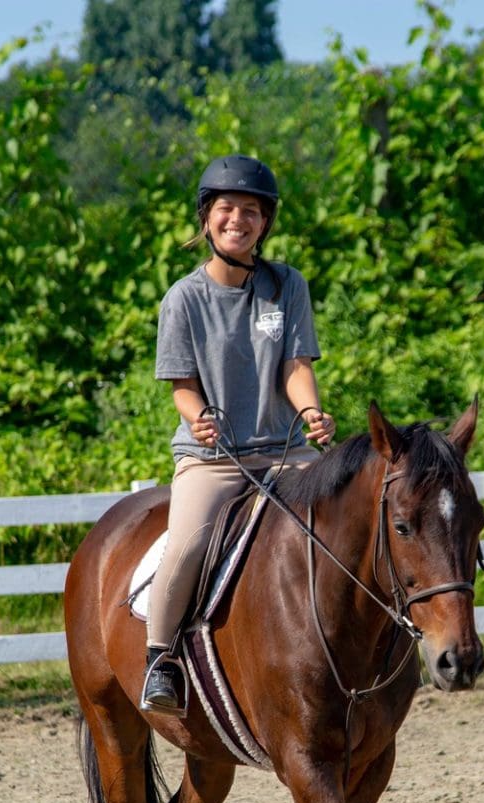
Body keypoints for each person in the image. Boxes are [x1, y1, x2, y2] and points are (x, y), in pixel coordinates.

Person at [142, 153, 335, 714]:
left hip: (284, 450)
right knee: (188, 545)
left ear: (265, 222)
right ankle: (160, 659)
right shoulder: (183, 298)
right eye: (226, 208)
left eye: (251, 211)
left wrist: (313, 412)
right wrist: (197, 415)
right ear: (206, 219)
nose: (238, 219)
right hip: (214, 457)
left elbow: (295, 367)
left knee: (343, 524)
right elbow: (181, 384)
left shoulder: (286, 285)